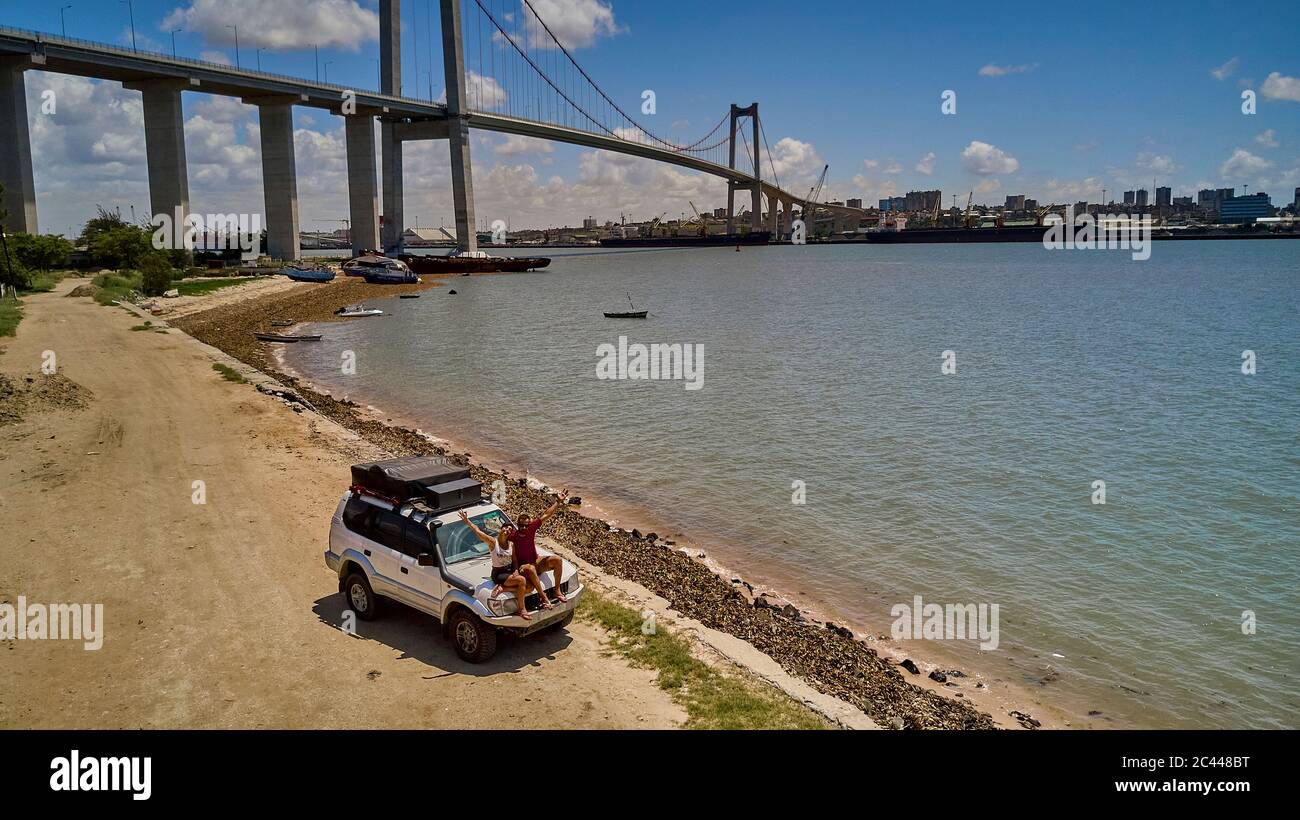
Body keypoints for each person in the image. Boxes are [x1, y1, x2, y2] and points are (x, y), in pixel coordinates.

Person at [457, 509, 532, 620]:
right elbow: (478, 532)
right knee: (521, 581)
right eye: (506, 528)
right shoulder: (493, 542)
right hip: (499, 573)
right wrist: (467, 521)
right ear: (501, 529)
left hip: (509, 571)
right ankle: (522, 609)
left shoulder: (511, 544)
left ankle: (503, 588)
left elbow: (515, 560)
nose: (508, 530)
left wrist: (516, 570)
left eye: (510, 529)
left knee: (530, 587)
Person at [508, 490, 571, 605]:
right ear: (517, 524)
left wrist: (558, 501)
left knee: (557, 560)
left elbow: (547, 515)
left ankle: (557, 590)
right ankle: (543, 596)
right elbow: (497, 541)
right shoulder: (513, 535)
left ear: (529, 525)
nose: (523, 528)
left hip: (535, 561)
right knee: (531, 568)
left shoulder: (532, 528)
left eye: (526, 526)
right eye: (520, 525)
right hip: (524, 567)